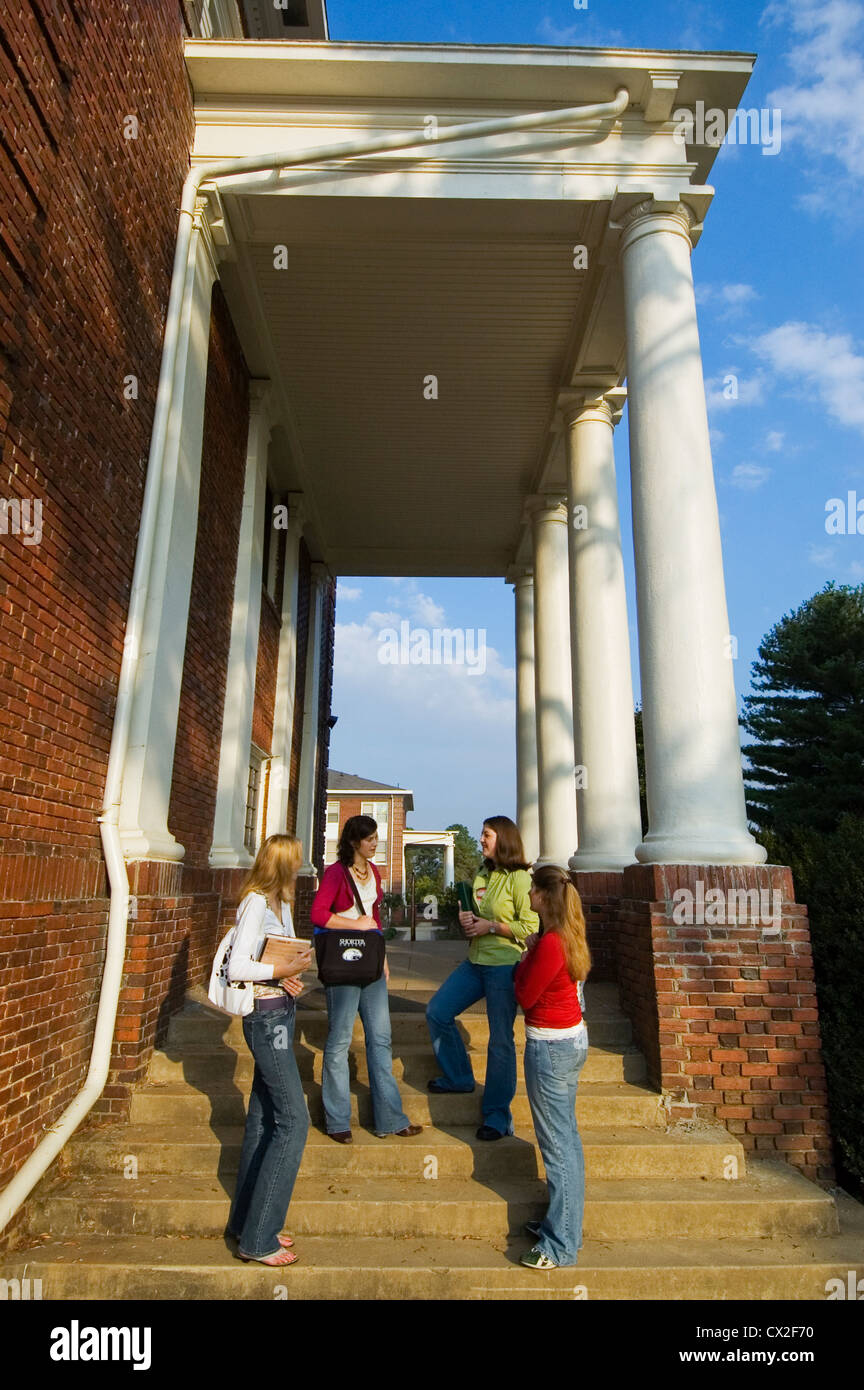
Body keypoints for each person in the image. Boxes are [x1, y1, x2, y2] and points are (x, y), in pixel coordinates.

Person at [225, 834, 313, 1267]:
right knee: (295, 1120)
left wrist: (287, 977)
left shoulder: (279, 905)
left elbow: (273, 963)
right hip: (266, 1021)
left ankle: (248, 1222)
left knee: (262, 1117)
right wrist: (280, 969)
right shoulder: (257, 902)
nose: (300, 867)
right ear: (281, 864)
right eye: (295, 861)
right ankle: (259, 1239)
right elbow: (239, 965)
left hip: (281, 1010)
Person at [310, 814, 421, 1144]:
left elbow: (373, 919)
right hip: (342, 966)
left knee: (381, 1040)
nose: (375, 843)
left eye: (376, 838)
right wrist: (354, 925)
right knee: (340, 1042)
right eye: (370, 838)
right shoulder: (335, 873)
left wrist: (383, 958)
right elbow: (319, 914)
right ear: (354, 842)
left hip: (370, 967)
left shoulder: (373, 872)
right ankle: (337, 1120)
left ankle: (389, 1118)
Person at [426, 816, 539, 1140]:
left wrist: (492, 927)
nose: (480, 839)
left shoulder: (519, 878)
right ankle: (460, 1077)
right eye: (481, 834)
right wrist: (468, 921)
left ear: (502, 838)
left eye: (486, 835)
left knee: (500, 1041)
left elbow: (530, 928)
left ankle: (497, 1116)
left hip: (504, 966)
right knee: (437, 1012)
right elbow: (477, 917)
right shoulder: (482, 873)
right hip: (474, 961)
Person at [514, 864, 591, 1270]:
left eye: (531, 890)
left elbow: (525, 994)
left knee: (558, 1147)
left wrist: (526, 955)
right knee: (568, 1140)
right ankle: (564, 1224)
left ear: (544, 897)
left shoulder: (549, 945)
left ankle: (559, 1246)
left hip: (550, 1048)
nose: (528, 896)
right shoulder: (567, 934)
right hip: (572, 1039)